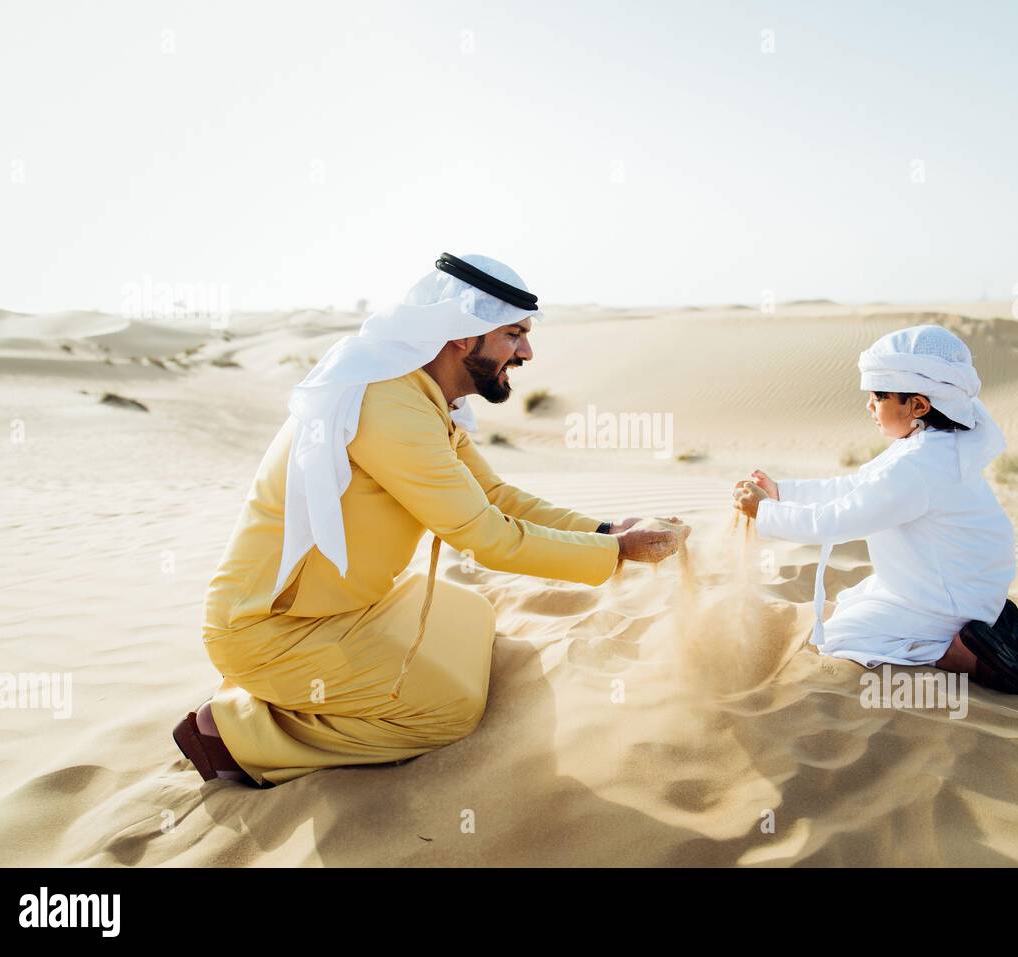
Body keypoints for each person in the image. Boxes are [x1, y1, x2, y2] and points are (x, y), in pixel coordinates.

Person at [175, 253, 687, 786]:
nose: (527, 351)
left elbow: (494, 495)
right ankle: (232, 735)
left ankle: (285, 696)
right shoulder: (388, 406)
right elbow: (487, 537)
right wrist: (620, 553)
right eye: (514, 334)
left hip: (353, 604)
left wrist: (605, 532)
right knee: (450, 711)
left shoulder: (420, 398)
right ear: (463, 337)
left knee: (470, 614)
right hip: (273, 626)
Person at [732, 324, 1018, 695]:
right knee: (854, 602)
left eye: (878, 396)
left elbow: (839, 519)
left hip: (947, 599)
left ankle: (963, 652)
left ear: (918, 405)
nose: (869, 406)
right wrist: (781, 492)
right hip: (963, 586)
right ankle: (989, 621)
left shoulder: (919, 467)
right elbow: (854, 487)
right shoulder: (931, 443)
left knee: (840, 637)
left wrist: (764, 512)